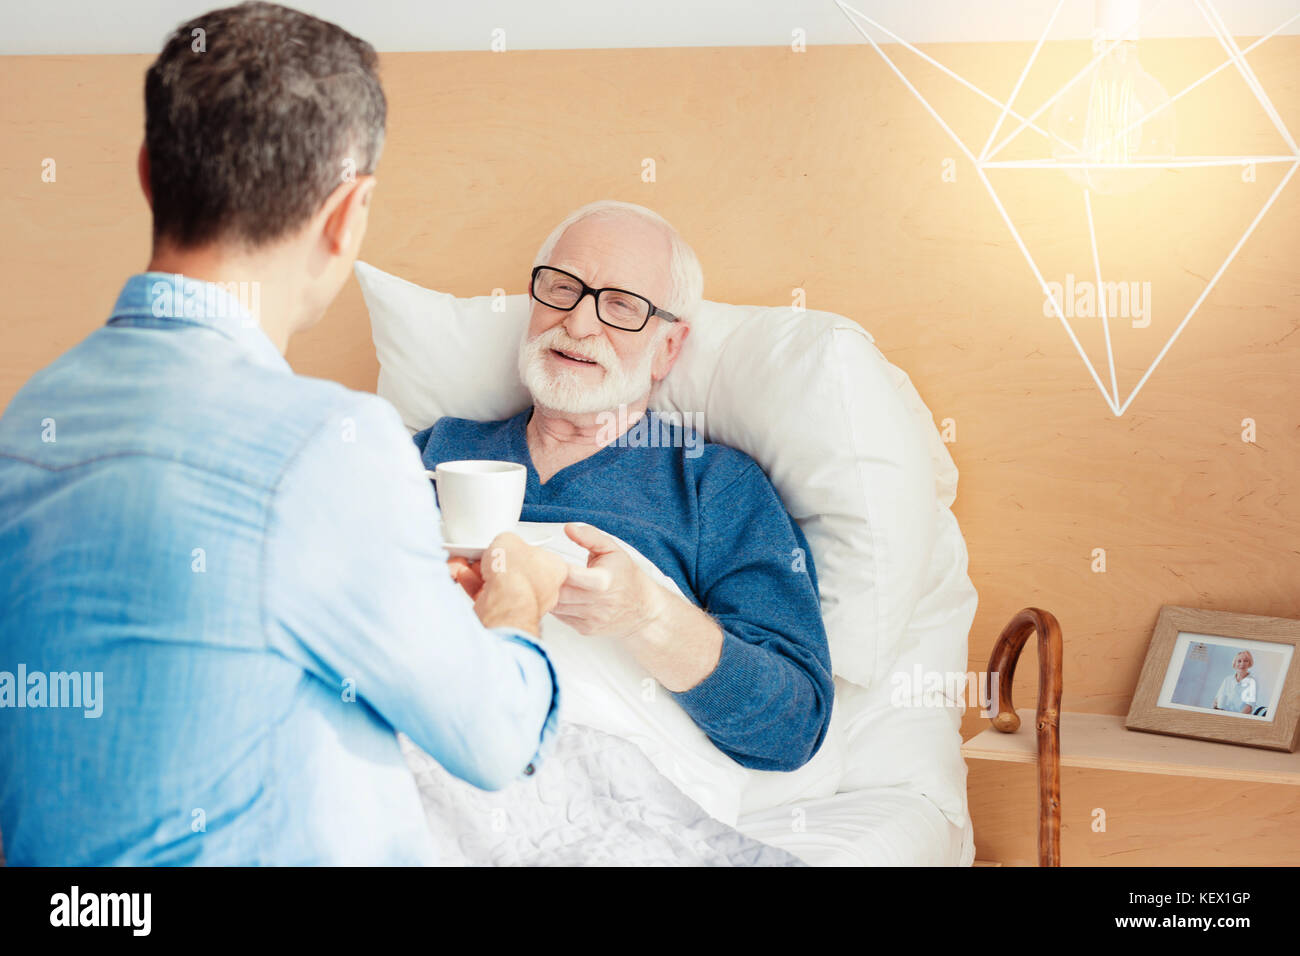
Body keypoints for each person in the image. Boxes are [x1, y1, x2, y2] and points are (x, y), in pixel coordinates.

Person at [0, 1, 567, 865]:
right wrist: (519, 593)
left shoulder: (28, 422)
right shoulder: (329, 445)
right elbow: (495, 737)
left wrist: (396, 580)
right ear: (348, 214)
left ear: (150, 173)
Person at [418, 200, 834, 772]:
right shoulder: (432, 454)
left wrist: (648, 617)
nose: (579, 323)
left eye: (621, 306)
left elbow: (792, 727)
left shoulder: (714, 488)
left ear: (668, 348)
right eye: (562, 288)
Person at [1212, 650, 1258, 715]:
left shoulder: (1253, 682)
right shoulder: (1227, 680)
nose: (1242, 664)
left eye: (1246, 661)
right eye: (1239, 661)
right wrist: (1216, 708)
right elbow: (1217, 699)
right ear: (1235, 664)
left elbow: (1249, 707)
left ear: (1249, 663)